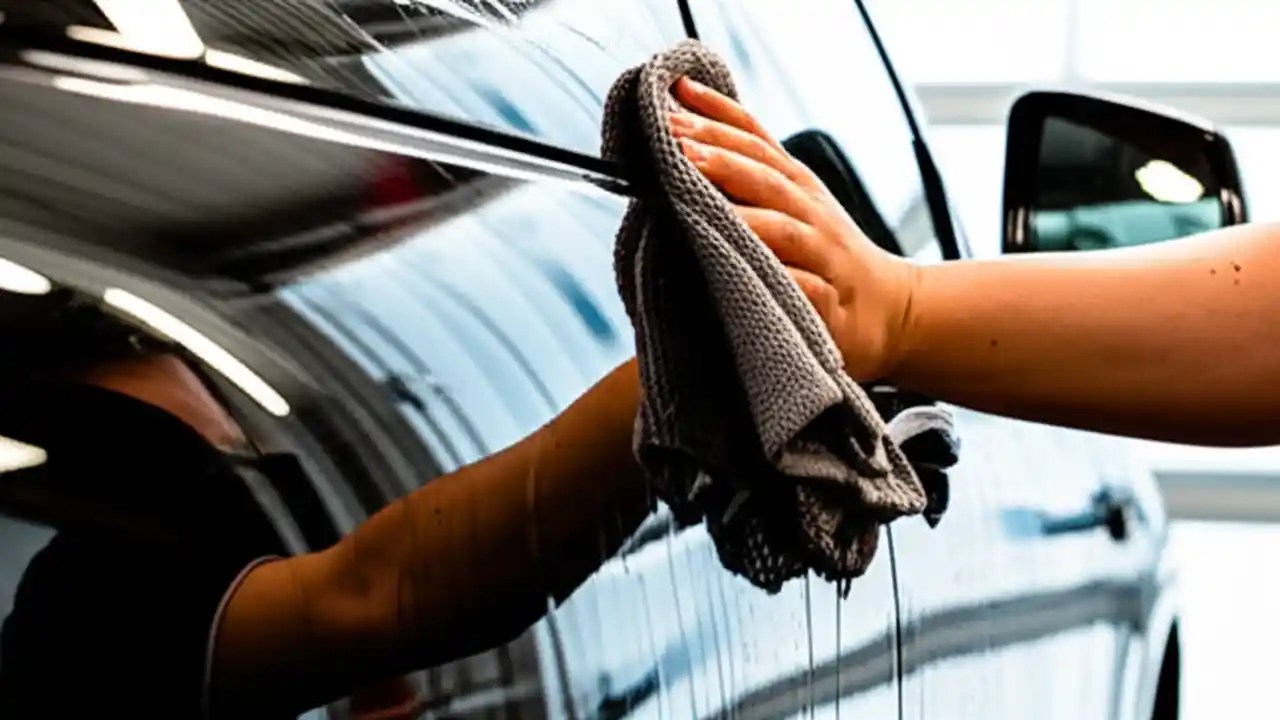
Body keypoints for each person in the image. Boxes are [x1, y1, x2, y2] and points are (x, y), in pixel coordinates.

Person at [3, 76, 1279, 717]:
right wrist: (810, 335)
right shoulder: (109, 589)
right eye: (188, 408)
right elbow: (378, 589)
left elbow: (375, 588)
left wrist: (860, 321)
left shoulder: (94, 585)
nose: (221, 415)